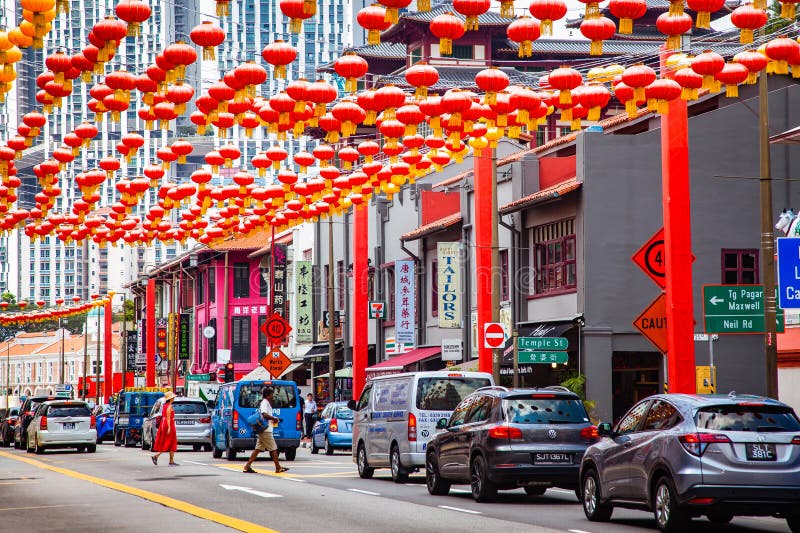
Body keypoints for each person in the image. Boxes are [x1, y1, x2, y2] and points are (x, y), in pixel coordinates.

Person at [243, 387, 289, 474]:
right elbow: (264, 414)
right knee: (274, 449)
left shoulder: (266, 402)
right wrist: (274, 418)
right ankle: (278, 467)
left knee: (257, 449)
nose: (273, 396)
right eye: (272, 394)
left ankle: (247, 466)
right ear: (268, 395)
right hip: (266, 430)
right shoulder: (265, 403)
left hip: (264, 430)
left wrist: (275, 418)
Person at [151, 391, 178, 466]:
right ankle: (156, 456)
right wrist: (169, 427)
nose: (174, 398)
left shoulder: (165, 405)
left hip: (164, 424)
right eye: (173, 397)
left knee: (171, 442)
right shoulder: (169, 406)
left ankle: (171, 461)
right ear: (171, 398)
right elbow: (168, 417)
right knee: (168, 442)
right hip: (168, 425)